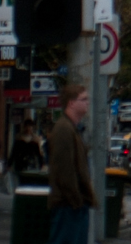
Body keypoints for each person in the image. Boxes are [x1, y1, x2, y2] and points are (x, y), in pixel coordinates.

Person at [46, 83, 98, 244]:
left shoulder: (72, 128)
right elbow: (64, 170)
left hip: (74, 205)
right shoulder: (63, 129)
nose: (87, 102)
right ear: (71, 103)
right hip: (67, 205)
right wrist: (76, 200)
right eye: (83, 99)